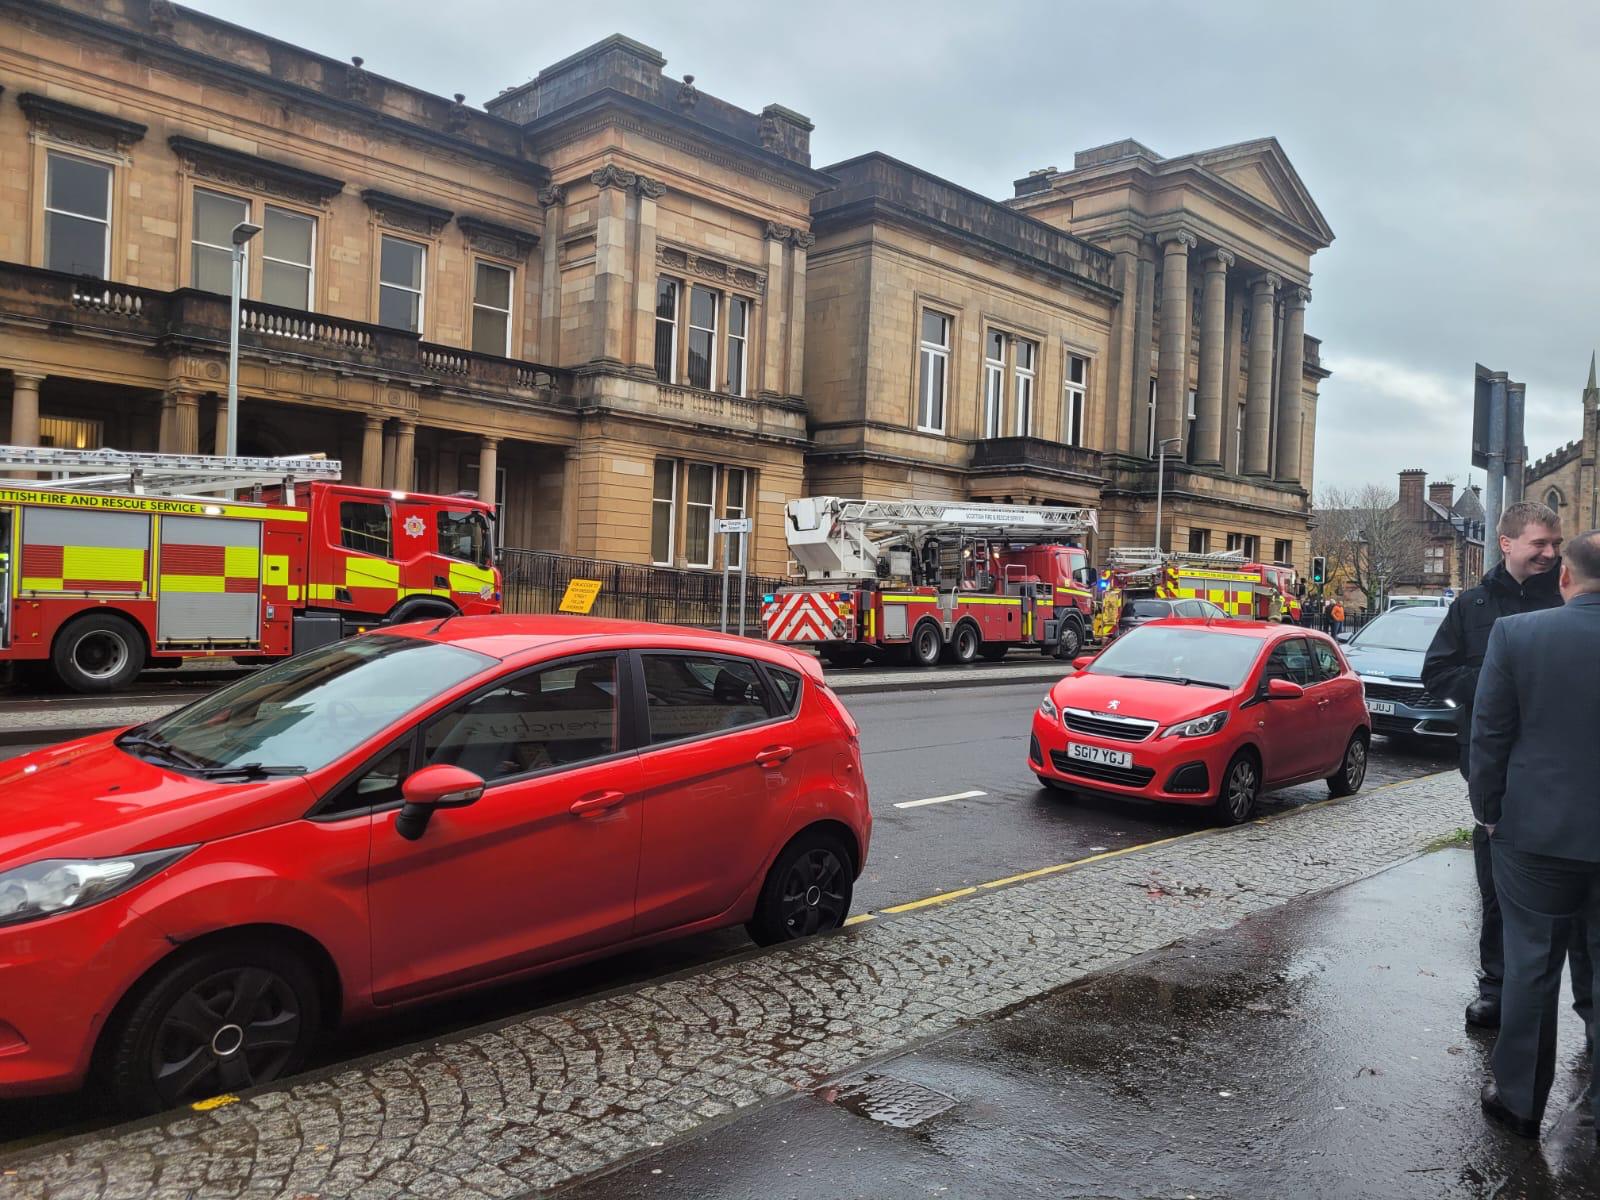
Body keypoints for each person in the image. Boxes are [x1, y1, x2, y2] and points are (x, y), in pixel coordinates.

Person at [1423, 500, 1592, 1036]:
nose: (1548, 553)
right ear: (1507, 543)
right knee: (1496, 894)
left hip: (1565, 774)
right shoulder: (1472, 605)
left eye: (1554, 544)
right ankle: (1495, 988)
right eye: (1539, 543)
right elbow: (1437, 674)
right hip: (1494, 773)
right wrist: (1497, 685)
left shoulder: (1569, 597)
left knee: (1584, 908)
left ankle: (1586, 1007)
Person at [1469, 527, 1600, 1139]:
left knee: (1530, 966)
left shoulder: (1518, 634)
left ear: (1565, 577)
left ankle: (1520, 1100)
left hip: (1535, 832)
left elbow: (1490, 735)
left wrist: (1489, 810)